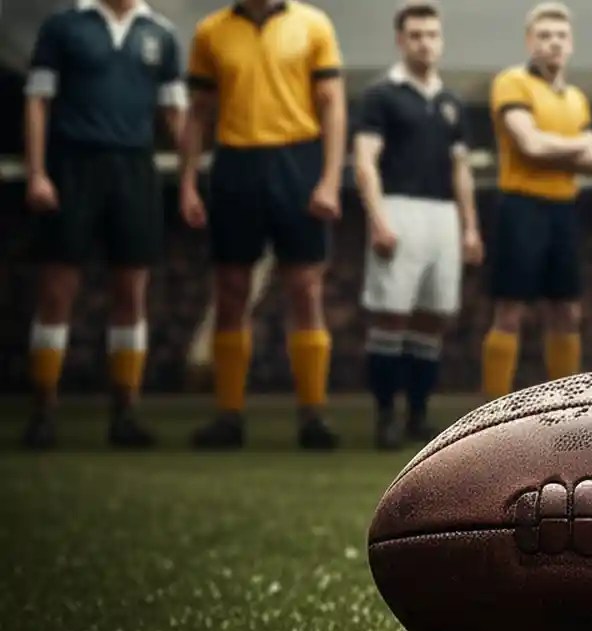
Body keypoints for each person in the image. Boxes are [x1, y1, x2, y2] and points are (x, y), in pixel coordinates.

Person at [179, 0, 347, 450]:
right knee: (231, 290)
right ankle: (228, 416)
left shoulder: (313, 25)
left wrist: (330, 179)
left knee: (306, 289)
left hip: (299, 160)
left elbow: (332, 105)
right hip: (235, 164)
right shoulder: (210, 32)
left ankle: (313, 416)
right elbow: (197, 112)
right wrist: (188, 182)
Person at [22, 0, 186, 449]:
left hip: (135, 168)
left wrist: (191, 177)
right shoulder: (64, 25)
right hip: (72, 164)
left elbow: (176, 116)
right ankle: (43, 410)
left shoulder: (161, 34)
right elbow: (37, 101)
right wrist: (37, 172)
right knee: (57, 291)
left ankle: (125, 412)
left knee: (131, 293)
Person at [353, 0, 483, 450]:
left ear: (440, 41)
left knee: (432, 319)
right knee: (391, 315)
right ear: (400, 40)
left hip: (443, 215)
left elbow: (461, 169)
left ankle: (418, 416)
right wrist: (378, 219)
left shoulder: (451, 103)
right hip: (398, 208)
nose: (425, 43)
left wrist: (470, 227)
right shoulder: (380, 95)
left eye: (432, 35)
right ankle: (385, 415)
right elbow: (365, 161)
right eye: (416, 35)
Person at [481, 2, 592, 399]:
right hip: (520, 205)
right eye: (545, 36)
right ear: (529, 42)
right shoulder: (511, 82)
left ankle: (564, 410)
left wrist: (562, 149)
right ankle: (491, 416)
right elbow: (529, 143)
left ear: (571, 45)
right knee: (510, 311)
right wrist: (577, 147)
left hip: (563, 208)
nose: (553, 43)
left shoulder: (577, 100)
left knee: (567, 312)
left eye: (561, 37)